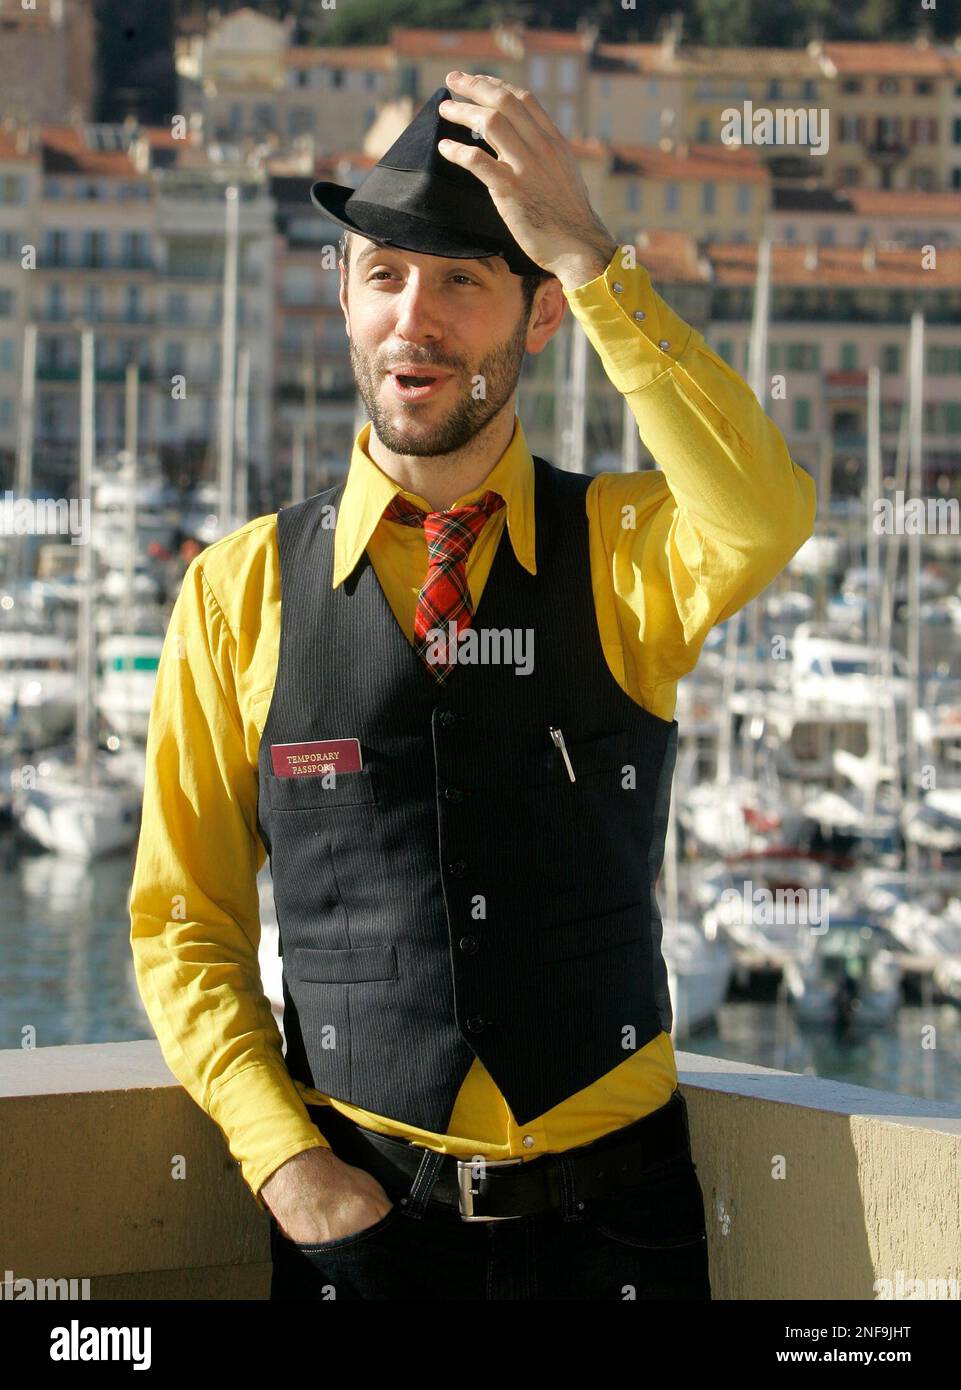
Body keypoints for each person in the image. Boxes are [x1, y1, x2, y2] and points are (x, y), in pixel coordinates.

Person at [129, 73, 817, 1300]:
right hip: (358, 1227)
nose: (415, 319)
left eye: (462, 280)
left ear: (536, 318)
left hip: (620, 1229)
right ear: (342, 292)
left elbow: (763, 511)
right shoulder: (237, 591)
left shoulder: (617, 550)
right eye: (384, 274)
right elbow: (185, 926)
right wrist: (288, 1164)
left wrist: (593, 258)